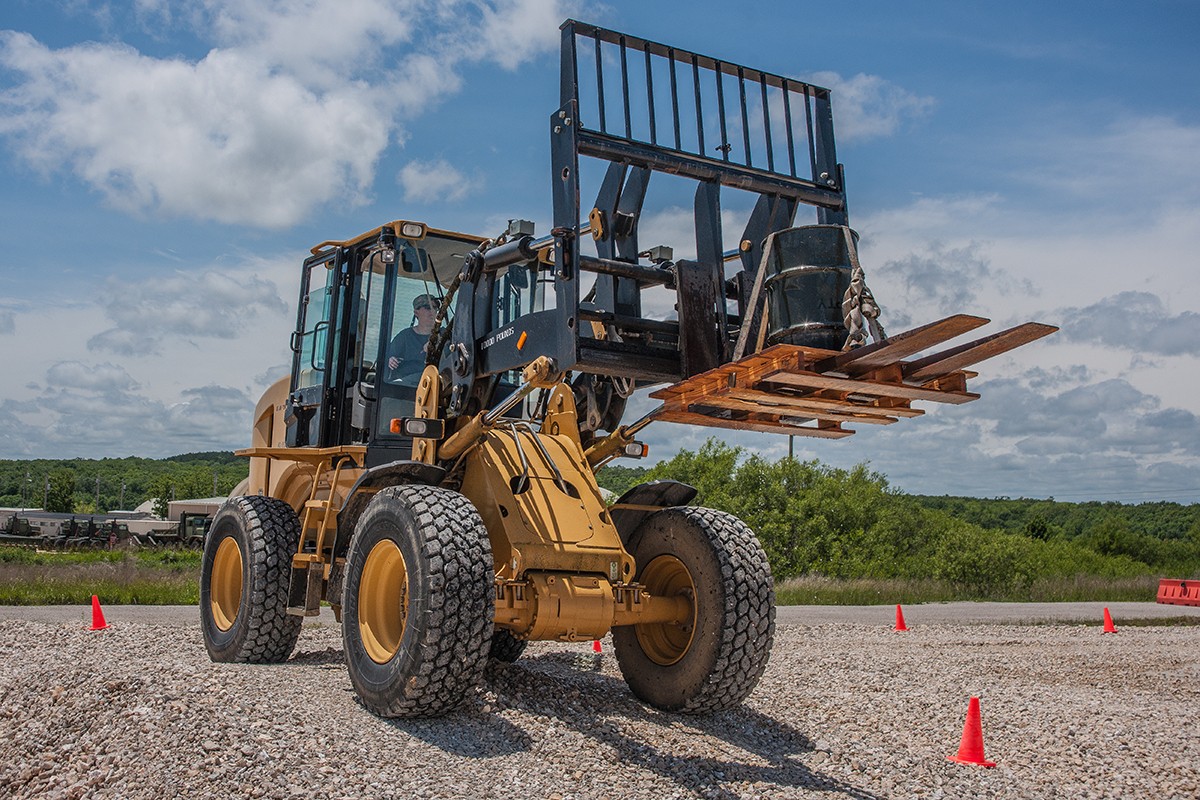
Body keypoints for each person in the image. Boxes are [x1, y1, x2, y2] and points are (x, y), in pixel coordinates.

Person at [386, 293, 437, 382]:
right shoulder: (404, 336)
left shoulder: (444, 336)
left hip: (433, 386)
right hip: (405, 387)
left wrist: (436, 344)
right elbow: (387, 357)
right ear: (416, 312)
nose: (432, 311)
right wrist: (390, 360)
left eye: (435, 308)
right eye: (428, 308)